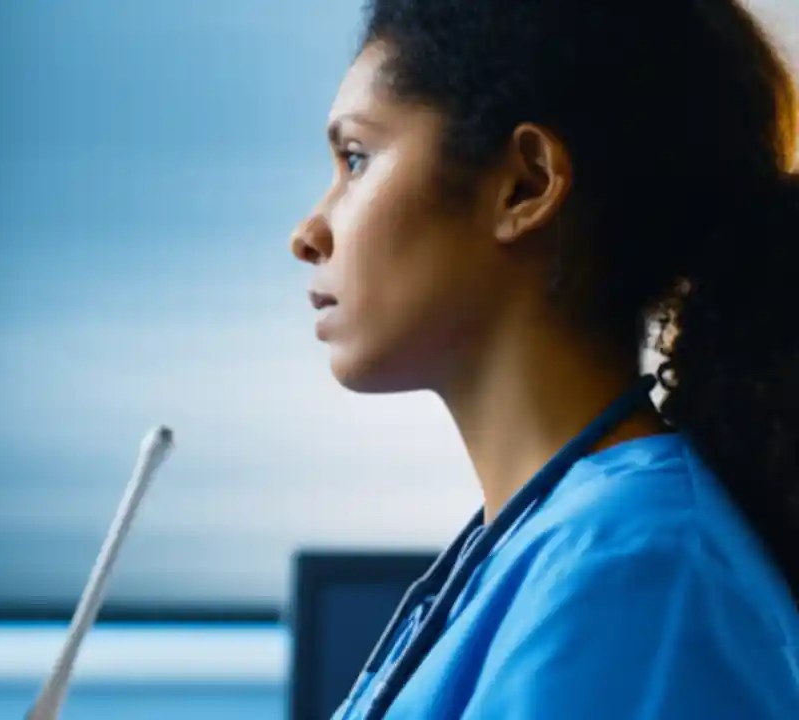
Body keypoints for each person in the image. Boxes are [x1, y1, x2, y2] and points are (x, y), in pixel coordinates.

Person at [289, 0, 799, 717]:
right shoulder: (551, 547)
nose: (307, 233)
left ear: (525, 185)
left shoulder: (638, 569)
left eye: (356, 159)